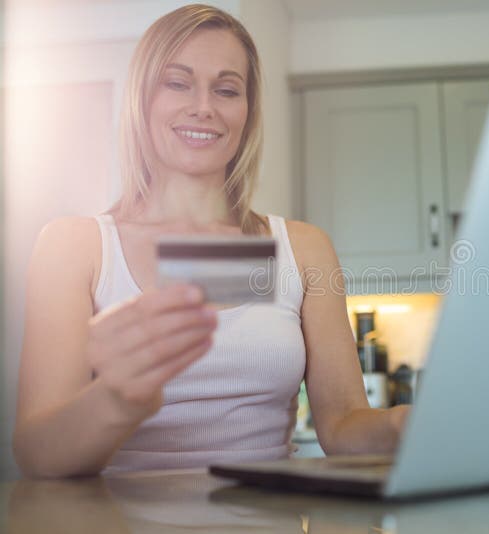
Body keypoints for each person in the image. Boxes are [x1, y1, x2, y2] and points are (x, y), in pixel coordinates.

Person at [13, 4, 409, 478]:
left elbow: (343, 424)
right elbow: (39, 455)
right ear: (142, 98)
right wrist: (117, 397)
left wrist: (402, 425)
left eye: (226, 89)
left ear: (247, 112)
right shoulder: (74, 247)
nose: (204, 106)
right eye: (177, 82)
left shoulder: (302, 249)